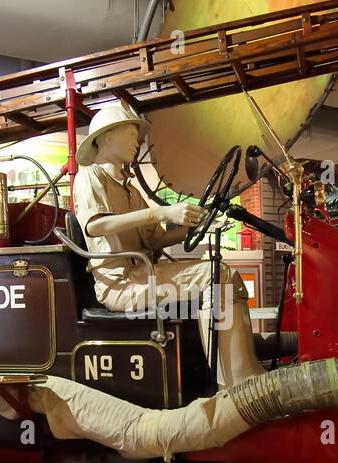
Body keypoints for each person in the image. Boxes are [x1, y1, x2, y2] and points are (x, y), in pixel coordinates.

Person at [72, 102, 265, 389]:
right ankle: (236, 382)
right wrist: (161, 212)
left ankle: (239, 371)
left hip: (141, 274)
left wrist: (192, 225)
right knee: (216, 276)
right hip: (120, 286)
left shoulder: (131, 190)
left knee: (220, 273)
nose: (137, 142)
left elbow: (154, 239)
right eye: (132, 134)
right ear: (108, 135)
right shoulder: (90, 177)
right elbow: (95, 225)